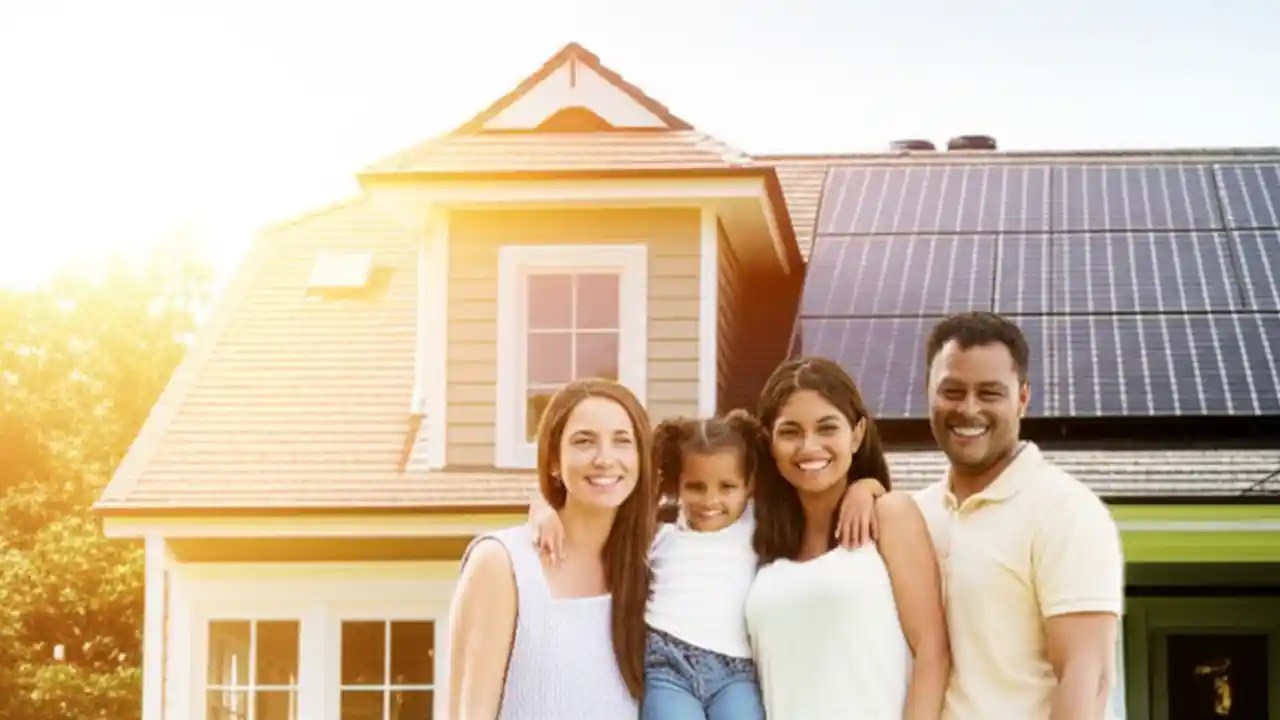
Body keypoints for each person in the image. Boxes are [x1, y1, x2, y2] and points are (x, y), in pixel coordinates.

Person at [532, 409, 883, 720]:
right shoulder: (657, 532)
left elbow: (823, 500)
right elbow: (589, 521)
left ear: (749, 486)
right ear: (677, 484)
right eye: (695, 487)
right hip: (667, 666)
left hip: (736, 672)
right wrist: (544, 509)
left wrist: (866, 487)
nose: (711, 501)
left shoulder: (760, 526)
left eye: (727, 487)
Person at [915, 311, 1124, 719]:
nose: (969, 409)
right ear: (929, 393)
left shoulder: (1065, 511)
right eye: (952, 391)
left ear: (1022, 398)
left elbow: (1087, 678)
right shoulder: (916, 515)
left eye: (990, 393)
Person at [745, 357, 951, 720]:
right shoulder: (757, 538)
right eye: (790, 431)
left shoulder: (890, 516)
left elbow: (932, 652)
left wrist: (868, 487)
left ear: (856, 435)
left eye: (827, 428)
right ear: (769, 442)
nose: (809, 446)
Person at [446, 378, 657, 719]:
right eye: (584, 441)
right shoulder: (503, 564)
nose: (605, 458)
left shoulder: (656, 566)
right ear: (554, 462)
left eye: (622, 442)